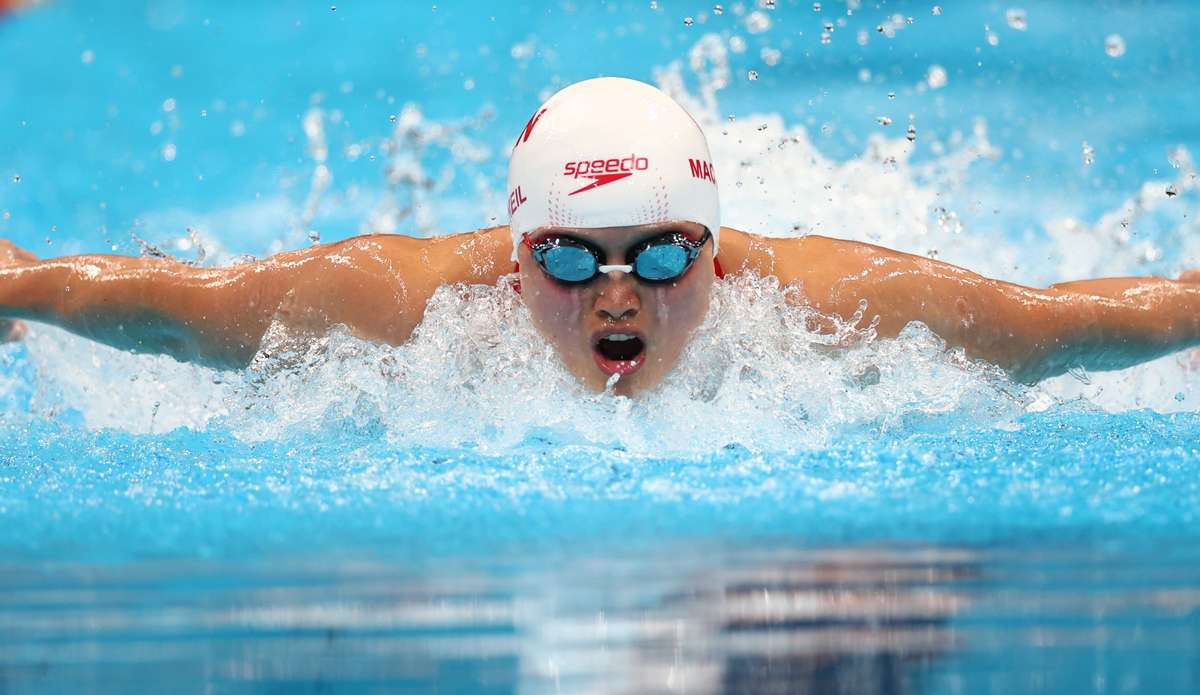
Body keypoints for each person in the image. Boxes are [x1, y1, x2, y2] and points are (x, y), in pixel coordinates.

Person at [2, 77, 1199, 395]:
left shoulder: (832, 308)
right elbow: (179, 306)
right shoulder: (398, 303)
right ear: (516, 256)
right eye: (572, 258)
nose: (618, 295)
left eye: (663, 254)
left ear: (717, 254)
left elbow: (1052, 325)